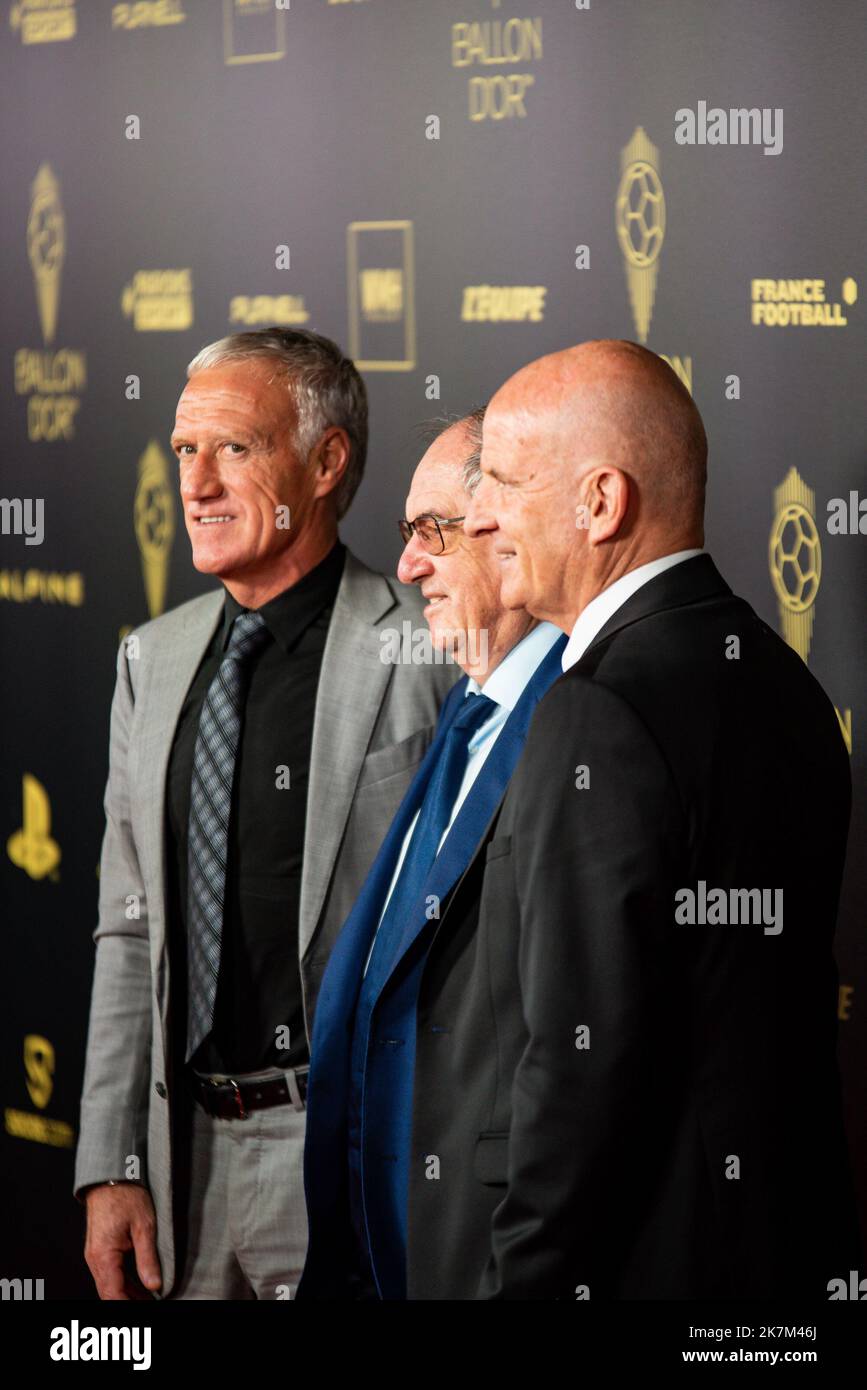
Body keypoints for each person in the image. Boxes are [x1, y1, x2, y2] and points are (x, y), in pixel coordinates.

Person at [395, 338, 858, 1298]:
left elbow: (578, 1079)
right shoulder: (787, 685)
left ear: (600, 504)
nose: (477, 517)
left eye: (506, 485)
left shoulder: (596, 708)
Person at [74, 327, 458, 1300]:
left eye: (233, 449)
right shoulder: (149, 661)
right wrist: (112, 1163)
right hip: (177, 1156)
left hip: (349, 1143)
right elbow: (127, 934)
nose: (194, 483)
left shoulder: (431, 645)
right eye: (182, 451)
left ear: (326, 463)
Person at [297, 410, 566, 1299]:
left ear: (506, 533)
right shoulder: (461, 704)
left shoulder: (580, 726)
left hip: (485, 1247)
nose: (407, 566)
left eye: (431, 533)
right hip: (377, 1239)